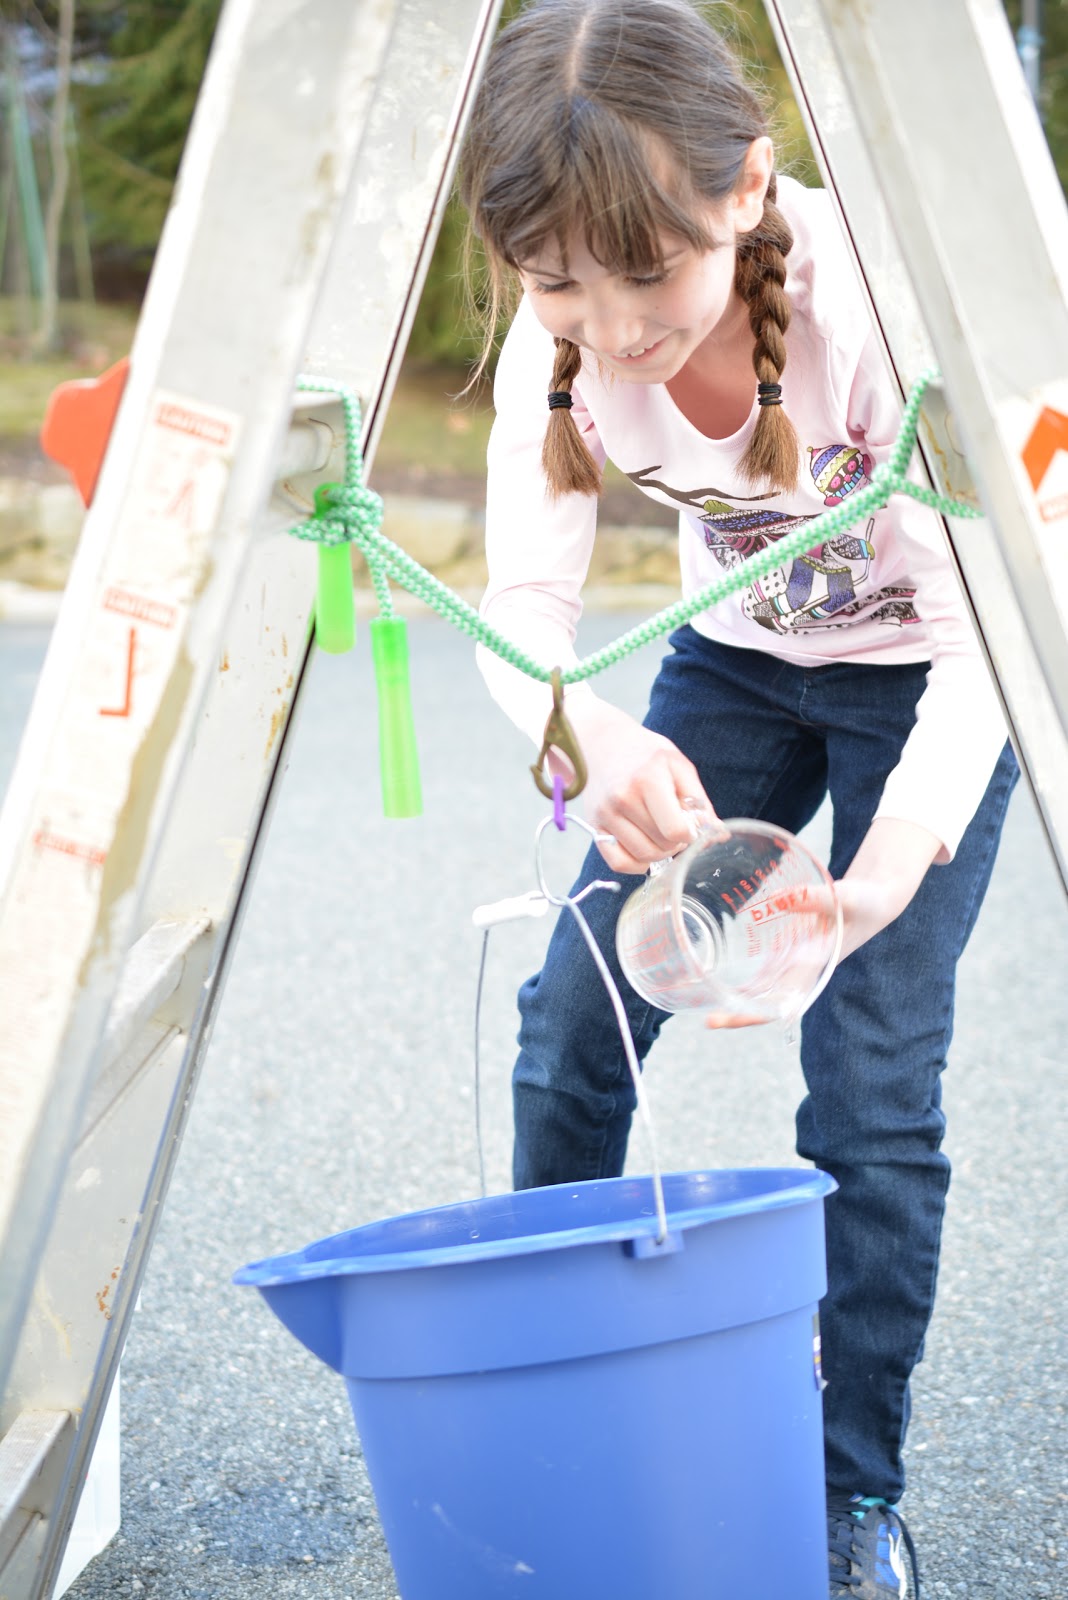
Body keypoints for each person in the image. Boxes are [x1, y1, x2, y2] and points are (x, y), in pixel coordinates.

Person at [459, 2, 1018, 1594]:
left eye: (647, 274)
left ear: (747, 189)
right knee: (576, 1011)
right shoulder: (559, 341)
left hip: (925, 679)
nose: (613, 325)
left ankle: (852, 1496)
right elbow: (523, 610)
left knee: (871, 1076)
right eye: (560, 279)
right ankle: (543, 1392)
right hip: (729, 664)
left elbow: (989, 632)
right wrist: (592, 746)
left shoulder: (885, 317)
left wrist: (884, 877)